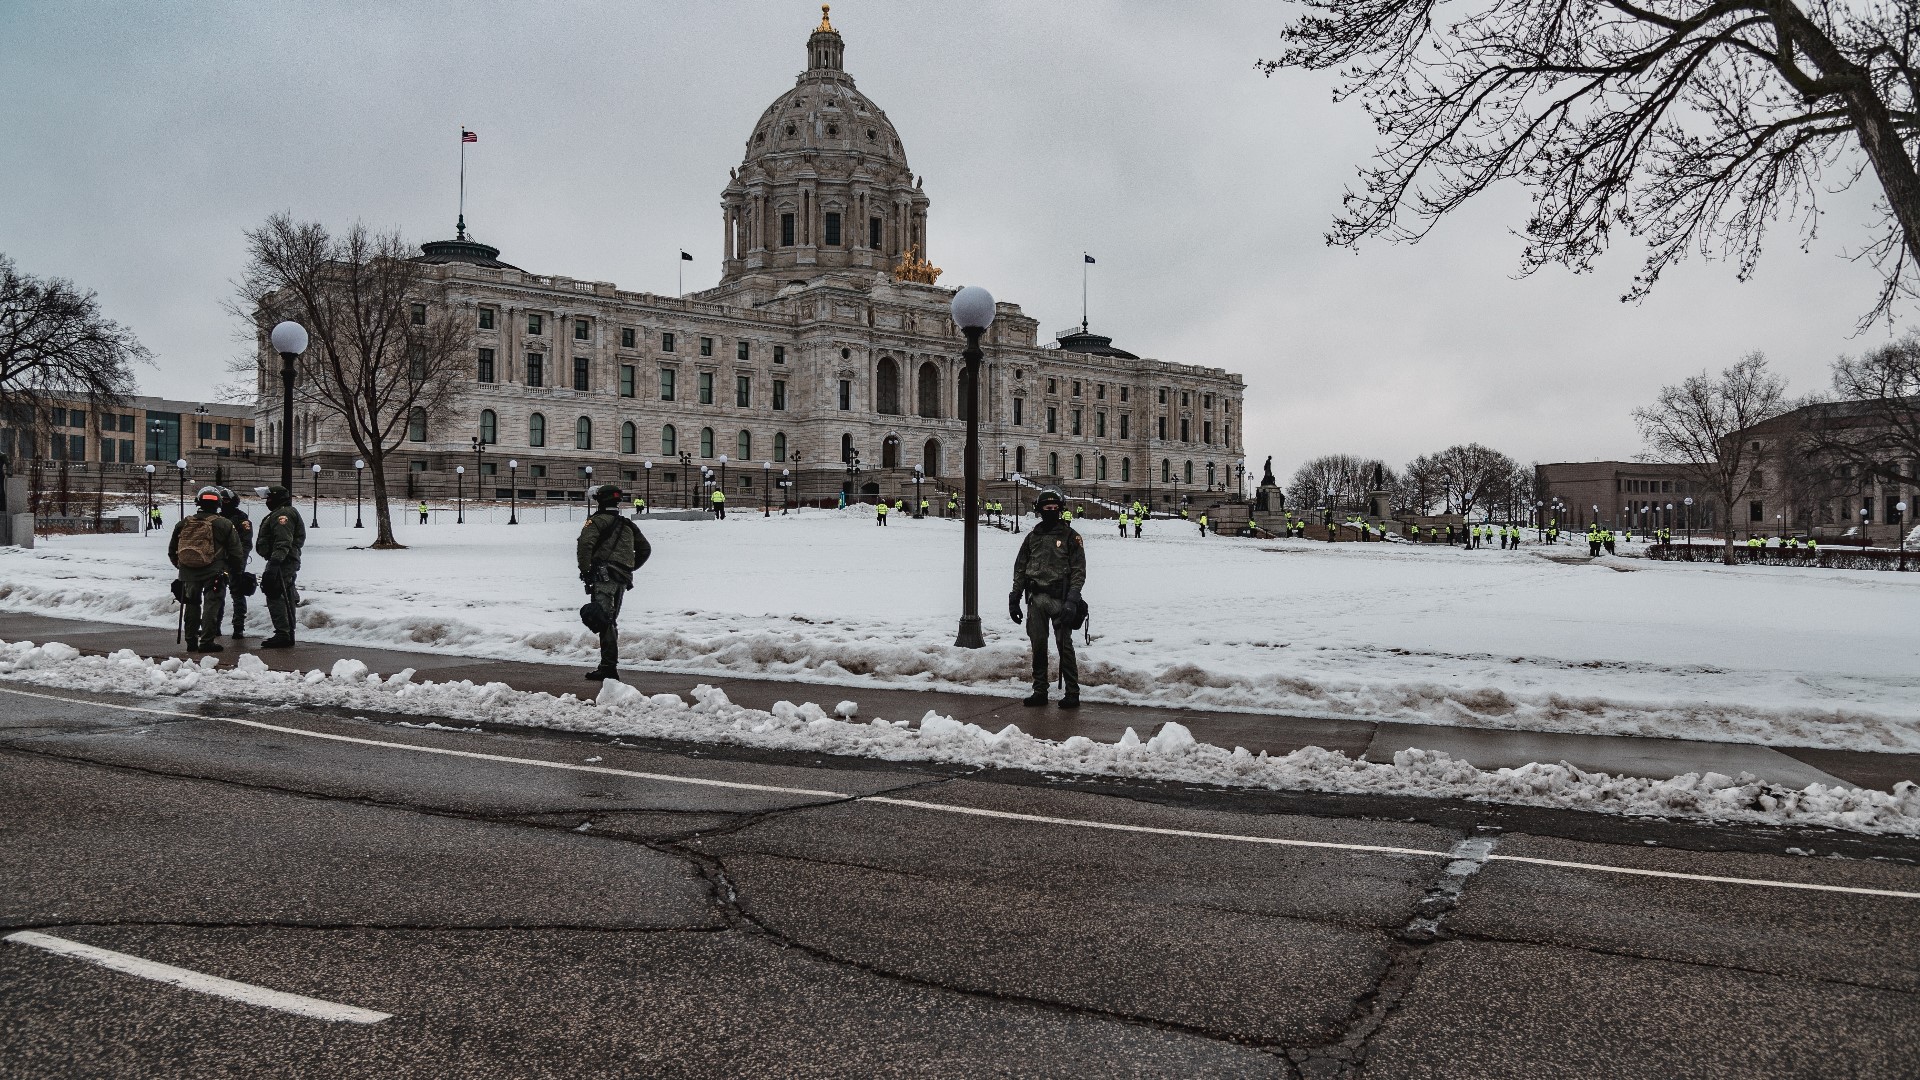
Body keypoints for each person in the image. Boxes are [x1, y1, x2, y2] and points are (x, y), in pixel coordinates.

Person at [1011, 487, 1085, 709]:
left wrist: (1072, 599)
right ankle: (1039, 690)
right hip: (1037, 598)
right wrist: (1014, 597)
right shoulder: (1032, 538)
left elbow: (1079, 571)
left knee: (1065, 647)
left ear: (1060, 509)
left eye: (1055, 508)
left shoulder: (1071, 537)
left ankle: (1072, 692)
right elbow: (1020, 568)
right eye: (1047, 508)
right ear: (1039, 510)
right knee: (1038, 646)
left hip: (1061, 599)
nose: (1051, 511)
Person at [577, 484, 651, 681]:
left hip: (603, 577)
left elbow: (585, 545)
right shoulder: (628, 524)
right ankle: (607, 666)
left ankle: (608, 668)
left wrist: (585, 571)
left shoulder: (596, 522)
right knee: (609, 619)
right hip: (621, 579)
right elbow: (645, 549)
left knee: (604, 620)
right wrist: (628, 568)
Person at [168, 487, 245, 654]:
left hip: (188, 573)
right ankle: (207, 641)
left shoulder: (184, 523)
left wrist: (183, 566)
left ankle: (191, 641)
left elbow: (172, 550)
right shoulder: (224, 524)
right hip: (214, 572)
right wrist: (236, 572)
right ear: (217, 504)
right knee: (212, 605)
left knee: (191, 605)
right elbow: (236, 552)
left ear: (198, 503)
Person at [255, 484, 307, 649]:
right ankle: (287, 632)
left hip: (283, 561)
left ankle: (283, 633)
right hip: (283, 559)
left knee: (274, 592)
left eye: (270, 498)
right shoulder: (281, 512)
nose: (268, 501)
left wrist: (275, 563)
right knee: (286, 593)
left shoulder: (283, 514)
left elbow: (283, 541)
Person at [216, 487, 254, 639]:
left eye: (226, 500)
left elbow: (246, 544)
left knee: (237, 594)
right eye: (222, 500)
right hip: (218, 562)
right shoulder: (217, 518)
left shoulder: (242, 520)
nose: (223, 503)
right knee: (216, 593)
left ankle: (238, 628)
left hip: (235, 562)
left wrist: (239, 561)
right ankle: (214, 626)